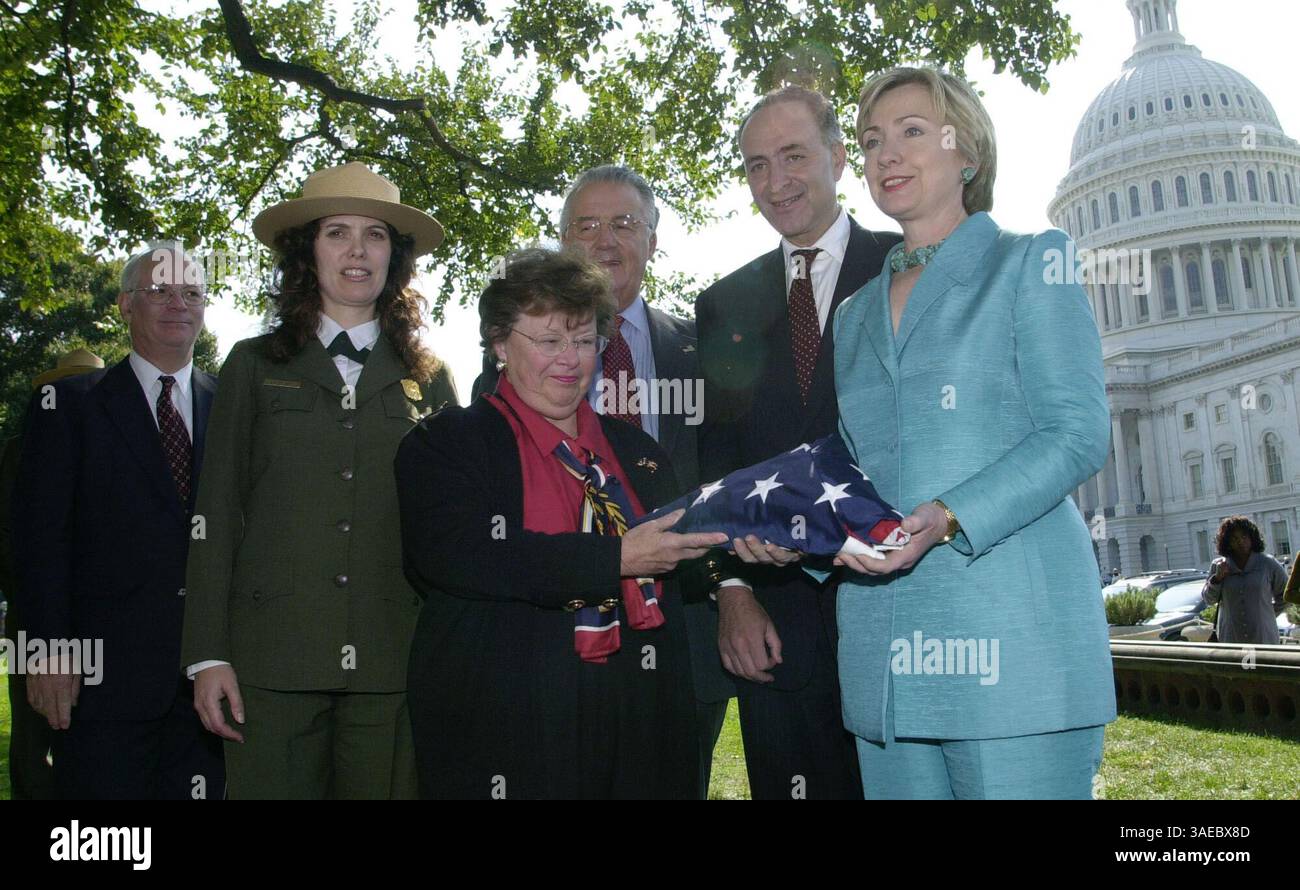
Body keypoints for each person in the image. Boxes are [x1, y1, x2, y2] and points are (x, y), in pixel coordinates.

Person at [816, 66, 1115, 798]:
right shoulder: (851, 314)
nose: (887, 153)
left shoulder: (1032, 260)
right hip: (884, 662)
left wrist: (949, 516)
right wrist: (804, 536)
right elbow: (857, 470)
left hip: (1015, 649)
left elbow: (1076, 433)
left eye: (913, 132)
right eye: (872, 140)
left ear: (968, 151)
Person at [396, 247, 727, 799]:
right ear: (499, 343)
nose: (570, 360)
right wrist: (617, 559)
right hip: (504, 721)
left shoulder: (638, 453)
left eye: (584, 341)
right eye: (549, 341)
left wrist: (746, 547)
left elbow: (680, 569)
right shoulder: (445, 442)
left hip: (636, 720)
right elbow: (459, 557)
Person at [181, 162, 458, 799]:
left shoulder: (432, 376)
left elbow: (448, 525)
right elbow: (214, 512)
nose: (357, 250)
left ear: (397, 256)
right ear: (309, 251)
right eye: (337, 232)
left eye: (376, 234)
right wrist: (207, 654)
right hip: (272, 661)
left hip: (393, 659)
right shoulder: (252, 365)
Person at [472, 165, 729, 797]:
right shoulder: (506, 375)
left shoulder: (706, 352)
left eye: (623, 223)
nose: (604, 240)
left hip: (683, 634)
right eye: (584, 225)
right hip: (555, 642)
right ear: (562, 242)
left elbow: (725, 481)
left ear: (654, 238)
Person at [695, 85, 900, 799]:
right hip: (774, 620)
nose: (775, 181)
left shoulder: (909, 266)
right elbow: (716, 461)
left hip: (899, 601)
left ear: (839, 158)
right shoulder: (723, 304)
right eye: (756, 165)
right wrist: (731, 589)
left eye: (792, 156)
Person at [12, 246, 224, 799]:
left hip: (210, 681)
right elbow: (40, 541)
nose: (178, 304)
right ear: (127, 304)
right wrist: (48, 653)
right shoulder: (68, 406)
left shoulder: (233, 410)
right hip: (100, 684)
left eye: (192, 293)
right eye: (160, 292)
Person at [2, 349, 104, 800]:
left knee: (88, 738)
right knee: (34, 735)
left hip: (99, 622)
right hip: (33, 618)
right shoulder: (18, 454)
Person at [1203, 516, 1287, 644]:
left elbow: (1287, 594)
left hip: (1263, 636)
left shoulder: (1268, 564)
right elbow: (1209, 599)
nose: (1240, 542)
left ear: (1252, 538)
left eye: (1244, 536)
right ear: (1227, 542)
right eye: (1234, 539)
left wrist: (1267, 614)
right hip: (1231, 638)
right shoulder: (1218, 565)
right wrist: (1217, 578)